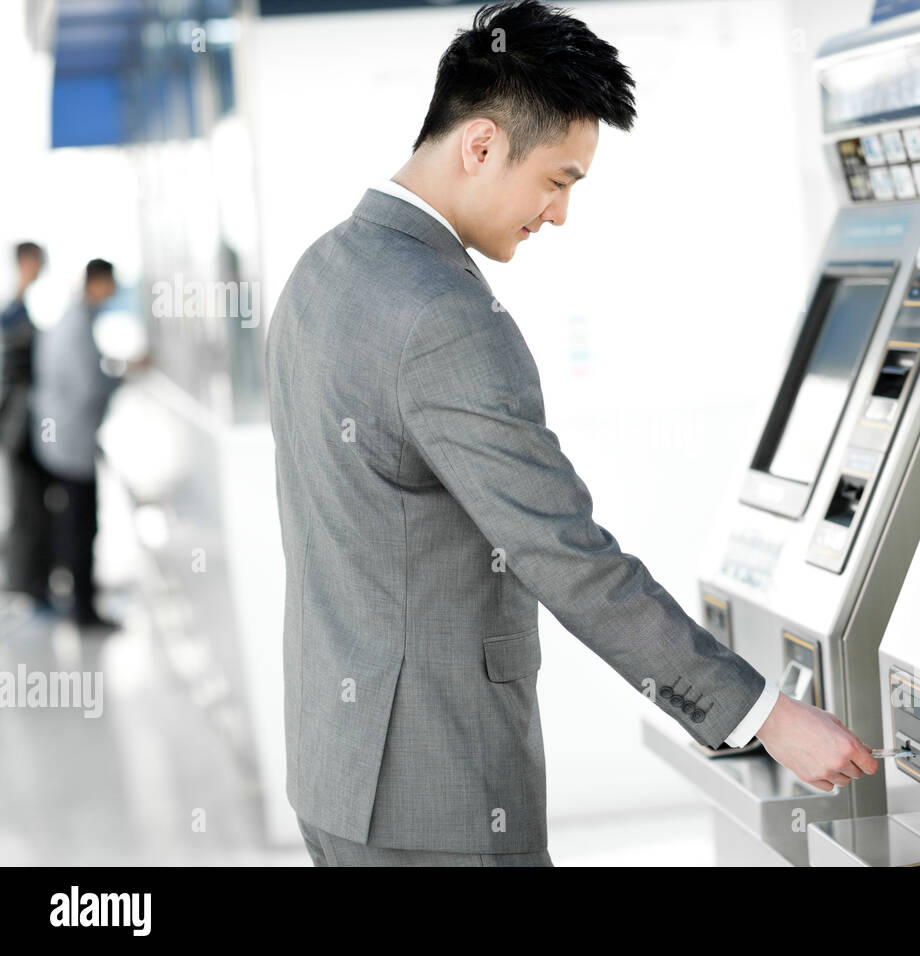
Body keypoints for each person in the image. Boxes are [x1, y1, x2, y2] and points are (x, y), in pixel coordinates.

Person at [268, 0, 876, 868]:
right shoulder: (445, 317)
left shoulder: (322, 269)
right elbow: (564, 554)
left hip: (337, 771)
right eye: (557, 179)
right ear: (480, 145)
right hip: (440, 792)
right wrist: (763, 715)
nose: (557, 214)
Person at [29, 258, 122, 631]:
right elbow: (89, 388)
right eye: (110, 284)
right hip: (71, 442)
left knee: (72, 524)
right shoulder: (78, 325)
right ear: (97, 283)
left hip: (60, 439)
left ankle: (78, 600)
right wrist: (123, 377)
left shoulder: (68, 320)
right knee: (82, 526)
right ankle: (84, 611)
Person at [0, 242, 54, 611]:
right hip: (18, 427)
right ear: (25, 262)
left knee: (31, 505)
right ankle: (28, 586)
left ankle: (32, 582)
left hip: (22, 424)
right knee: (27, 506)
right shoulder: (11, 314)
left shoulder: (20, 310)